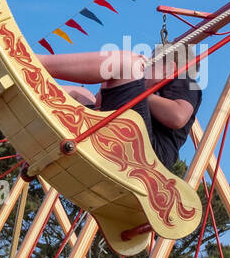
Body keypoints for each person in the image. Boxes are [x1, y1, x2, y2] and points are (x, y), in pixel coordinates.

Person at [37, 46, 202, 174]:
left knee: (128, 62)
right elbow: (100, 104)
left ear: (169, 68)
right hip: (128, 141)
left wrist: (141, 92)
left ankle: (39, 63)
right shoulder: (152, 88)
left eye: (151, 63)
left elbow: (178, 116)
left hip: (149, 155)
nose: (145, 69)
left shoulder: (183, 81)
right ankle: (35, 88)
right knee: (81, 93)